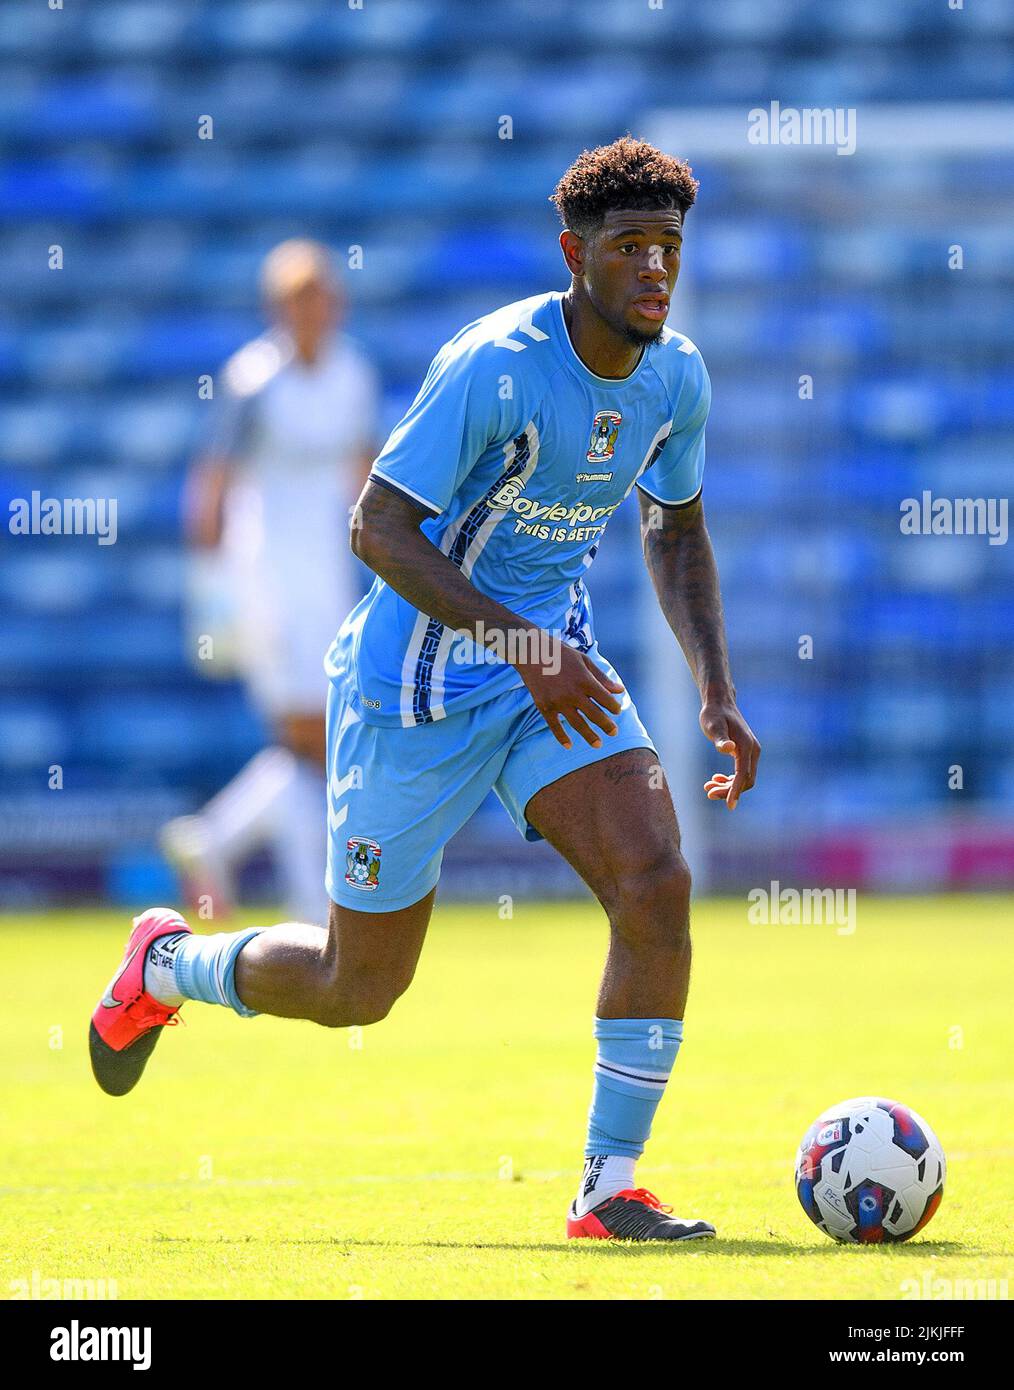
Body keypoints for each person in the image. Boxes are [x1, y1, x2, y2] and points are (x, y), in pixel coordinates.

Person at [92, 139, 760, 1242]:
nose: (654, 268)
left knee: (656, 881)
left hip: (550, 675)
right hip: (415, 690)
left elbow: (674, 523)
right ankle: (169, 963)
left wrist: (717, 685)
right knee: (360, 986)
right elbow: (378, 527)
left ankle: (609, 1186)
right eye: (629, 247)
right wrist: (524, 649)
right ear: (572, 254)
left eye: (669, 248)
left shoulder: (676, 375)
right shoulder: (495, 364)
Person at [161, 240, 379, 922]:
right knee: (309, 733)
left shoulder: (353, 375)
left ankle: (212, 841)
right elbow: (213, 485)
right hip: (267, 577)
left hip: (329, 576)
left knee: (318, 735)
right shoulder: (252, 380)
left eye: (322, 296)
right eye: (299, 299)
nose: (314, 310)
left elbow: (365, 472)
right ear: (279, 307)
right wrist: (210, 589)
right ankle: (310, 899)